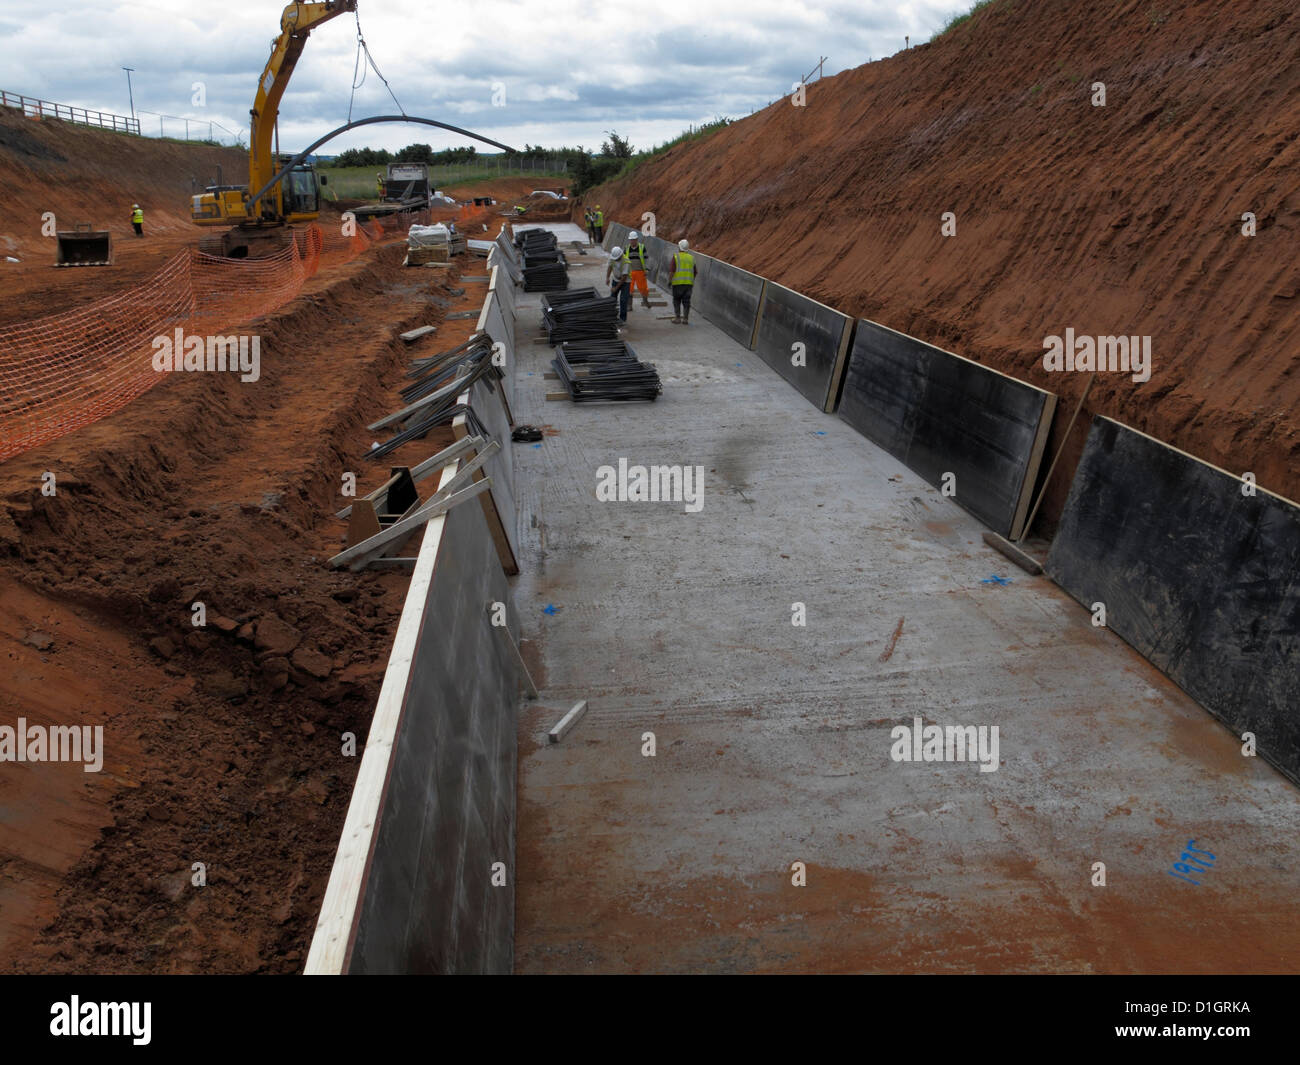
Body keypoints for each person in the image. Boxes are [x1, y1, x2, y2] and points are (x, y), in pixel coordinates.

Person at [669, 238, 695, 324]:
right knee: (686, 301)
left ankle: (677, 318)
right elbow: (695, 272)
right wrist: (691, 280)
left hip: (677, 284)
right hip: (688, 284)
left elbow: (672, 270)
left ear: (679, 247)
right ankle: (685, 319)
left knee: (676, 300)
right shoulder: (691, 258)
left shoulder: (676, 256)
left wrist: (669, 281)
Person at [624, 231, 651, 309]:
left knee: (643, 288)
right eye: (631, 240)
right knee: (629, 288)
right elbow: (623, 260)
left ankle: (645, 300)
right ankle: (629, 305)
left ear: (637, 239)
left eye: (634, 239)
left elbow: (646, 259)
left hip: (640, 271)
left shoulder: (642, 247)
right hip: (630, 272)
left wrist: (647, 269)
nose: (632, 241)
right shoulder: (626, 248)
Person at [605, 244, 631, 324]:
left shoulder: (626, 261)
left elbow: (624, 277)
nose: (615, 260)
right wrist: (607, 277)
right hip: (616, 278)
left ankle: (622, 319)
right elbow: (610, 267)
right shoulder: (612, 257)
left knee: (623, 300)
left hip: (625, 282)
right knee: (612, 298)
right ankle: (612, 315)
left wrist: (616, 288)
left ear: (620, 255)